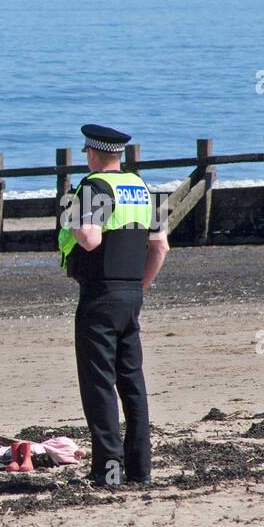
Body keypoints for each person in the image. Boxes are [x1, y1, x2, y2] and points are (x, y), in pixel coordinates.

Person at [58, 124, 169, 486]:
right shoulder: (145, 188)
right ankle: (141, 469)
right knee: (132, 381)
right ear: (119, 154)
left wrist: (72, 217)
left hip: (99, 294)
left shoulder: (93, 186)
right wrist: (140, 287)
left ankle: (108, 472)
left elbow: (89, 240)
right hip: (131, 294)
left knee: (99, 384)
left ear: (91, 153)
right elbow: (160, 247)